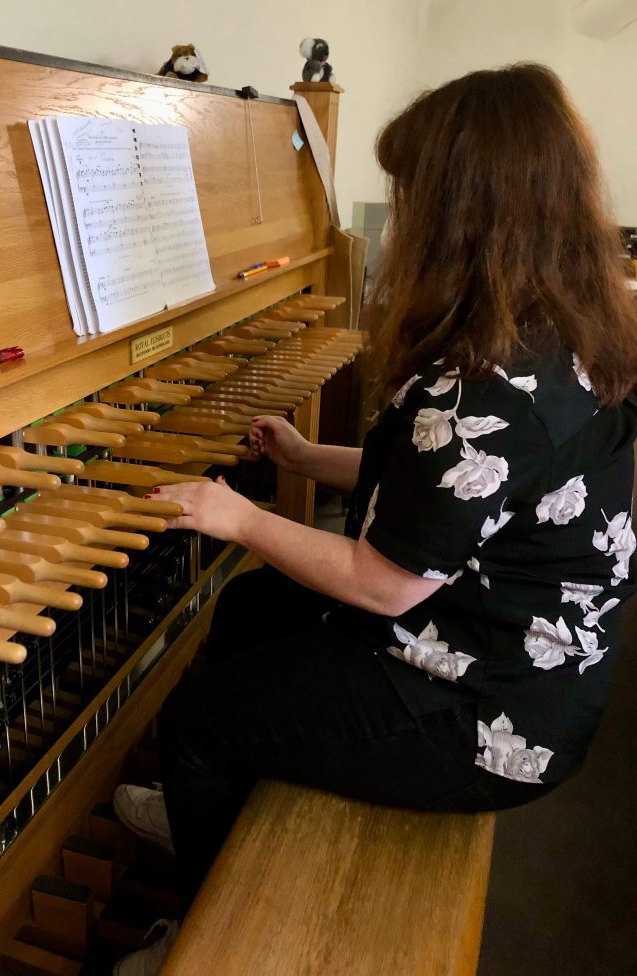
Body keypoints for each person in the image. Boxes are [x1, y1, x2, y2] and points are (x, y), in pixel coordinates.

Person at [110, 63, 637, 975]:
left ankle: (194, 939)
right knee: (246, 614)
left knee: (199, 714)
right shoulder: (553, 328)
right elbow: (456, 498)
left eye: (411, 195)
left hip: (494, 710)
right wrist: (312, 461)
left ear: (467, 212)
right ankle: (214, 799)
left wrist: (236, 518)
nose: (400, 218)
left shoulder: (495, 385)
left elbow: (387, 581)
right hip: (492, 631)